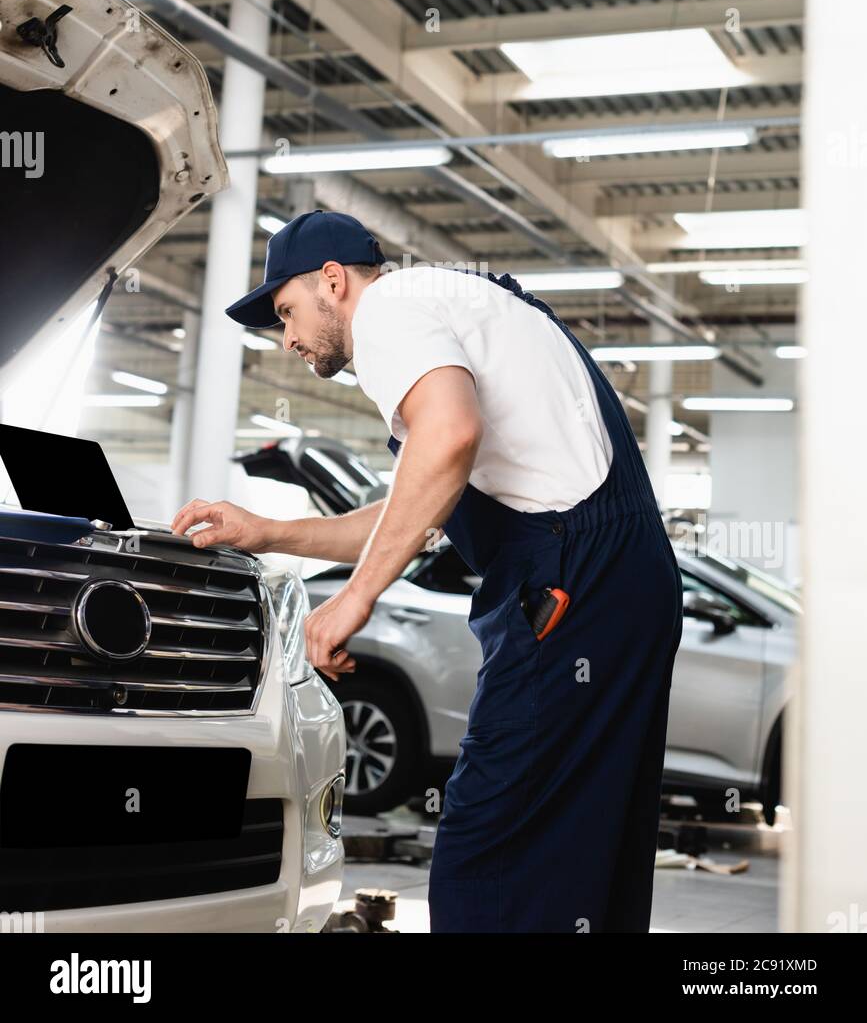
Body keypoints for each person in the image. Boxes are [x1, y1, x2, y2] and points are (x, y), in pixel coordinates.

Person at [172, 208, 683, 933]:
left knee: (486, 844)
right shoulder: (450, 306)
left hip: (576, 581)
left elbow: (448, 437)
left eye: (286, 311)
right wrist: (265, 530)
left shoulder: (391, 309)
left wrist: (356, 598)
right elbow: (418, 508)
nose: (285, 338)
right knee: (586, 841)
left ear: (332, 280)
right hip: (616, 578)